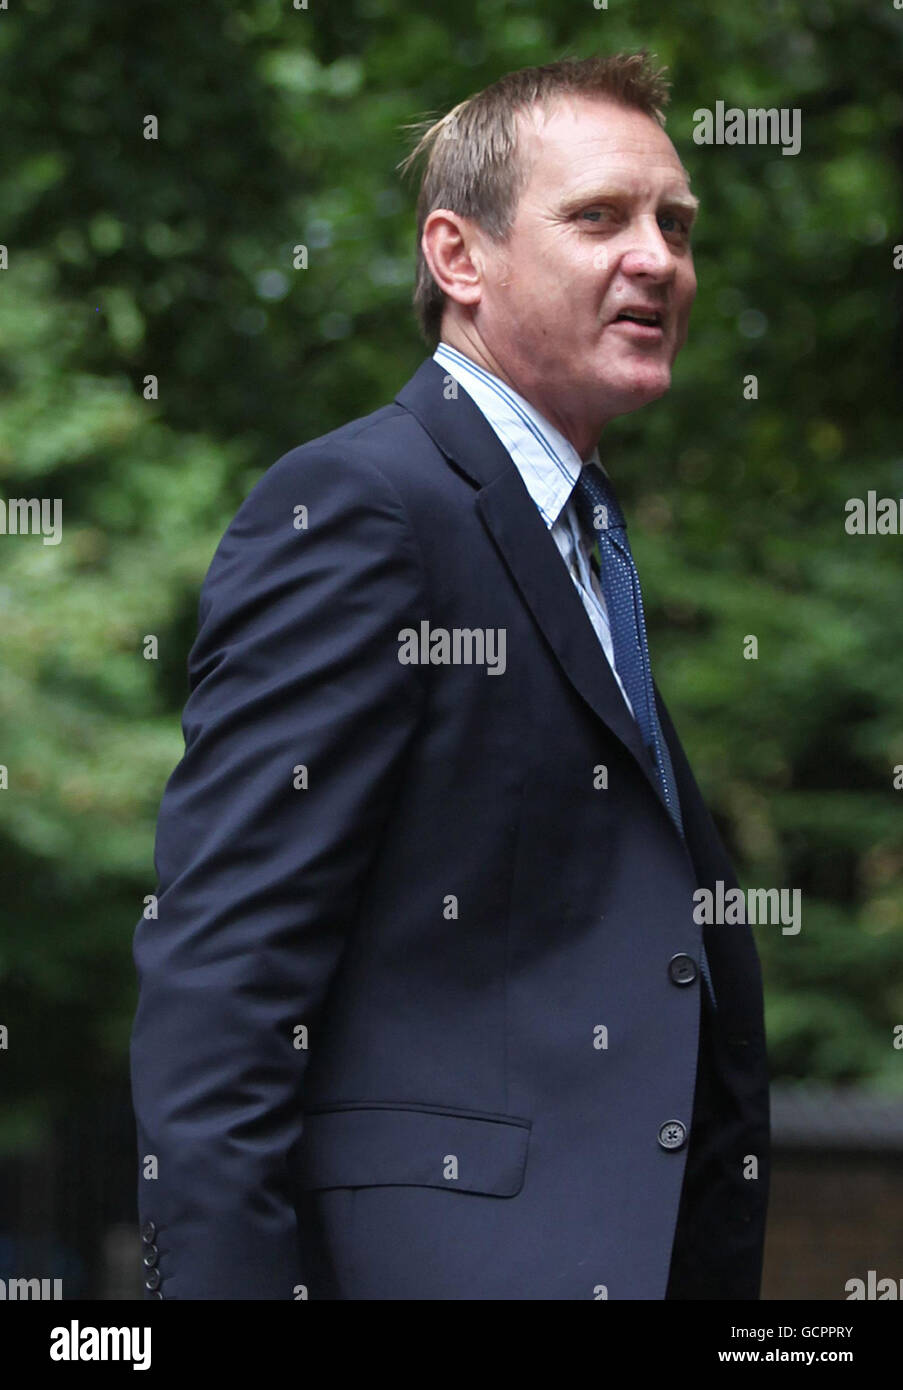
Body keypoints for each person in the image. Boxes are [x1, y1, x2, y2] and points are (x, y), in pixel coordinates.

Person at [130, 50, 770, 1301]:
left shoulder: (583, 536)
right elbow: (226, 975)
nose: (657, 257)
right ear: (458, 258)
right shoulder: (363, 504)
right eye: (598, 217)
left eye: (675, 224)